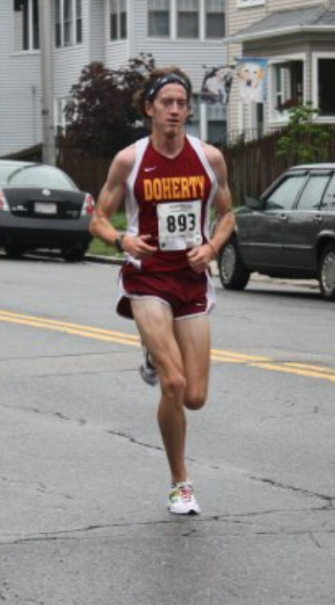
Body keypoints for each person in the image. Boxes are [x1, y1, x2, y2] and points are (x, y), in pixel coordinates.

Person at [89, 67, 235, 516]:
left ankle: (155, 355)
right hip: (147, 277)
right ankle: (180, 482)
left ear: (189, 109)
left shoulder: (209, 158)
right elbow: (97, 217)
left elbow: (229, 215)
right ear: (149, 108)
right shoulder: (129, 161)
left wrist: (211, 247)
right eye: (166, 102)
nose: (174, 110)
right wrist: (121, 240)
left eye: (181, 103)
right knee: (172, 384)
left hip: (190, 279)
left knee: (195, 396)